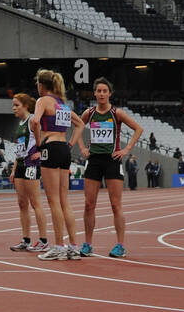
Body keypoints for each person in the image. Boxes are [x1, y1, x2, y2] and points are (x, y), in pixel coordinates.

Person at [74, 78, 143, 259]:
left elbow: (138, 129)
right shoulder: (89, 113)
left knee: (115, 205)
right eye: (99, 91)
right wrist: (81, 147)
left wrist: (127, 149)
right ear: (95, 93)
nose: (102, 94)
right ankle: (88, 244)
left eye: (105, 91)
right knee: (89, 205)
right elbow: (77, 127)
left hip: (112, 160)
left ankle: (120, 245)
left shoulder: (116, 113)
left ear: (110, 93)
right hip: (94, 161)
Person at [30, 68, 85, 261]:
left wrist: (38, 143)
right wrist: (71, 142)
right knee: (64, 201)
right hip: (64, 149)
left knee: (53, 201)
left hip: (50, 148)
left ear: (41, 85)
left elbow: (36, 121)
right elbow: (81, 124)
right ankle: (73, 246)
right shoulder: (62, 104)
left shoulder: (43, 100)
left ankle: (59, 246)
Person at [8, 92, 47, 254]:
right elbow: (19, 149)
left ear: (25, 106)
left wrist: (41, 150)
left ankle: (43, 240)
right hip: (21, 165)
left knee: (35, 202)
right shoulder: (20, 123)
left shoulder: (32, 121)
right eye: (13, 105)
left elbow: (46, 136)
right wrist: (13, 169)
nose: (14, 108)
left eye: (16, 105)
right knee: (22, 204)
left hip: (31, 165)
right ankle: (25, 239)